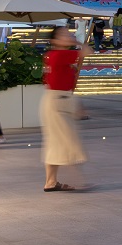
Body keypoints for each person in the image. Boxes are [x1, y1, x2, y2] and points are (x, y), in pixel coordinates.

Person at [41, 27, 87, 191]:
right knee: (67, 142)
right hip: (58, 101)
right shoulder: (60, 54)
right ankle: (77, 179)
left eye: (68, 33)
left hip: (58, 100)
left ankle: (51, 181)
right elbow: (89, 51)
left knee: (56, 143)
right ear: (54, 41)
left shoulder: (54, 56)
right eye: (63, 35)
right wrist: (76, 41)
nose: (67, 36)